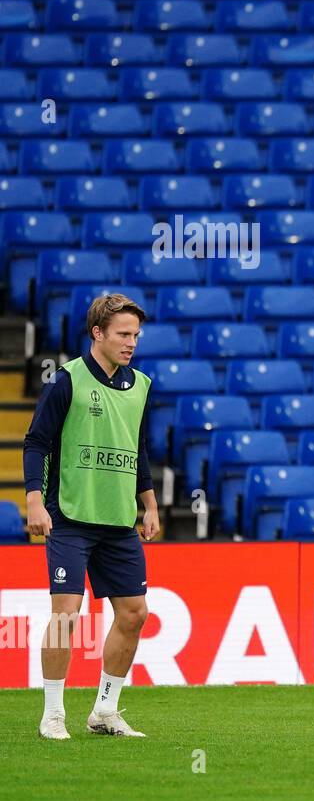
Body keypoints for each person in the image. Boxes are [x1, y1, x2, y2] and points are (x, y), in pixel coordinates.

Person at [24, 294, 159, 740]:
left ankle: (105, 709)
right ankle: (53, 713)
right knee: (65, 615)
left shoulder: (141, 385)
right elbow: (36, 442)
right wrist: (33, 500)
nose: (131, 343)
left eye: (135, 335)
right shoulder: (68, 380)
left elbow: (137, 448)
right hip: (71, 516)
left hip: (119, 519)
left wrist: (150, 502)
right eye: (123, 334)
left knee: (135, 613)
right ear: (97, 333)